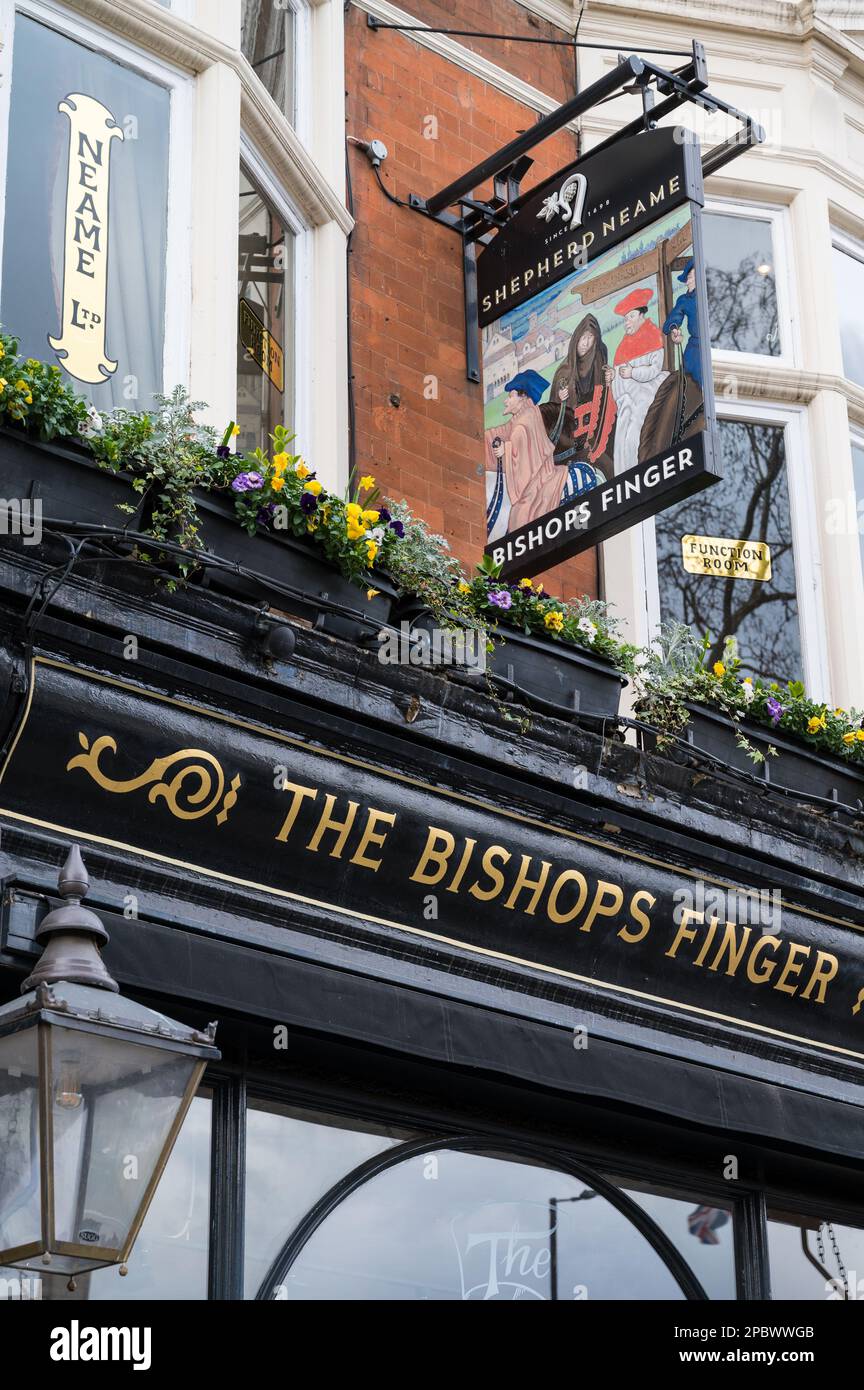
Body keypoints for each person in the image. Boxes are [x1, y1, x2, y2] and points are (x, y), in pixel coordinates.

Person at [542, 313, 616, 492]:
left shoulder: (600, 360)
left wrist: (610, 379)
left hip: (599, 428)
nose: (585, 342)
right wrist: (561, 397)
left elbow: (607, 397)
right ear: (576, 338)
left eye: (590, 337)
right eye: (583, 337)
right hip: (573, 438)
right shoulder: (565, 371)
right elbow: (554, 417)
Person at [484, 370, 564, 535]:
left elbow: (523, 456)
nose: (506, 401)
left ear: (523, 398)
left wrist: (505, 451)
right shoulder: (521, 418)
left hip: (538, 480)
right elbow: (503, 432)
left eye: (510, 396)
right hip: (535, 475)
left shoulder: (524, 422)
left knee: (519, 516)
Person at [610, 286, 668, 475]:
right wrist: (613, 377)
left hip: (647, 390)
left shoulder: (652, 335)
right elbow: (619, 373)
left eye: (631, 316)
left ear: (641, 315)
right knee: (622, 431)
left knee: (635, 428)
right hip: (625, 397)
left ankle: (637, 470)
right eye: (625, 318)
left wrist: (633, 372)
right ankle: (622, 473)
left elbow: (654, 369)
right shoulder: (622, 344)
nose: (627, 322)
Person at [662, 258, 702, 388]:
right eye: (689, 277)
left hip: (714, 343)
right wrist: (674, 330)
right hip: (695, 347)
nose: (689, 281)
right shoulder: (684, 300)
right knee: (689, 380)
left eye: (692, 277)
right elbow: (673, 319)